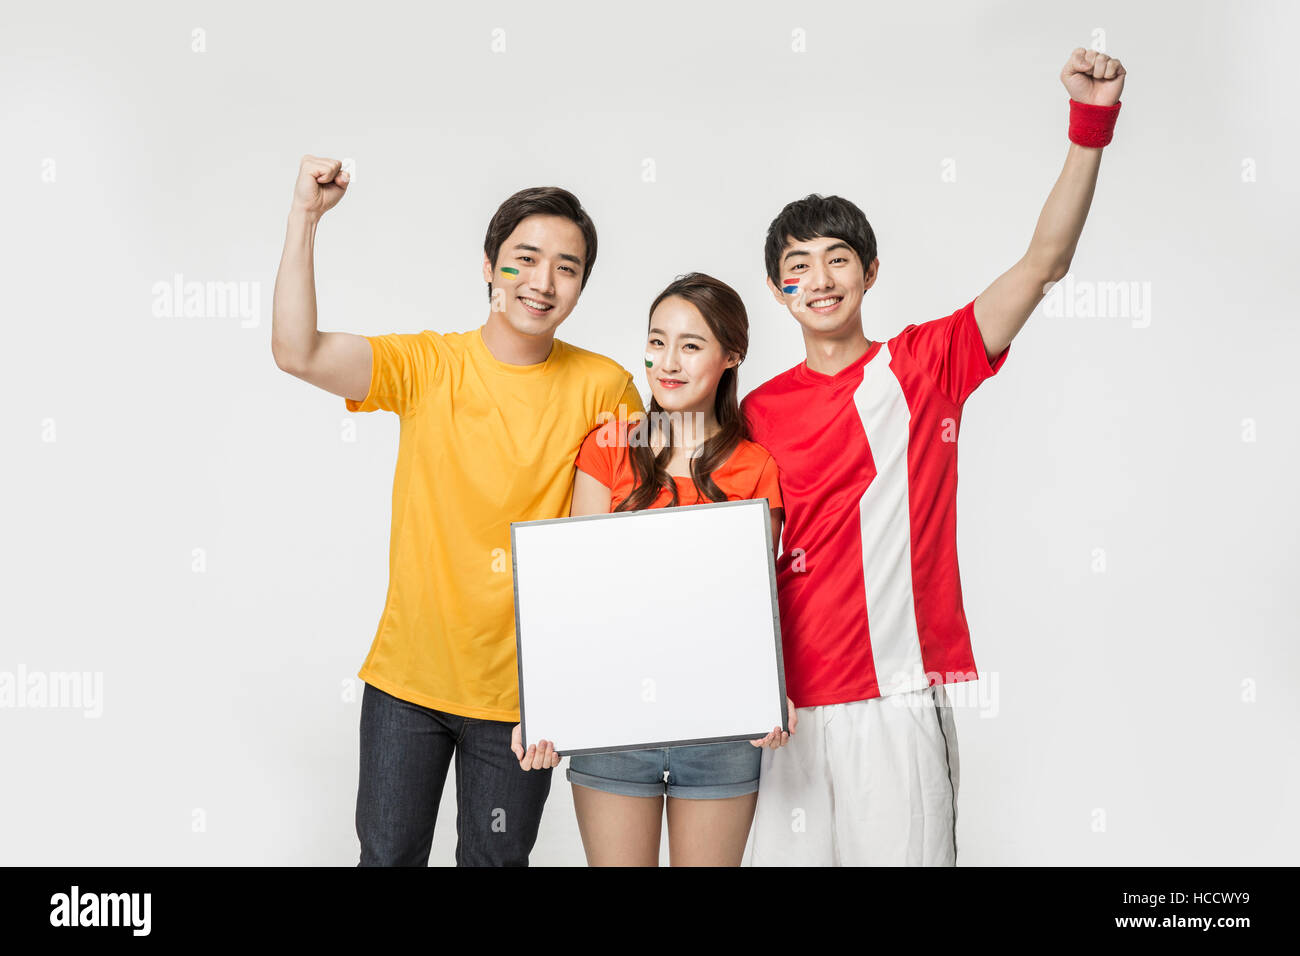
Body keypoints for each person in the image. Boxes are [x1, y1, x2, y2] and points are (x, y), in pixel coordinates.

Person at [740, 47, 1126, 866]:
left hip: (898, 698)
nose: (819, 277)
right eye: (797, 266)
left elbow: (1044, 265)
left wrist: (1089, 126)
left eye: (837, 258)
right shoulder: (758, 410)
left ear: (870, 272)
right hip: (784, 713)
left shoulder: (926, 364)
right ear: (779, 290)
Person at [270, 158, 645, 865]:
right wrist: (305, 217)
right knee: (386, 859)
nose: (542, 282)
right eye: (525, 260)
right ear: (489, 266)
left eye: (566, 268)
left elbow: (614, 549)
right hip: (406, 684)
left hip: (521, 698)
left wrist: (573, 688)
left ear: (582, 286)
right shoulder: (428, 366)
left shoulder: (606, 387)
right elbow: (298, 352)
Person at [510, 272, 796, 866]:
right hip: (614, 724)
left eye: (691, 345)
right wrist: (540, 706)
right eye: (657, 341)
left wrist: (771, 693)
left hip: (720, 728)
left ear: (731, 356)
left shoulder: (754, 466)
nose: (668, 362)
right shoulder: (609, 446)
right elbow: (574, 595)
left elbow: (751, 610)